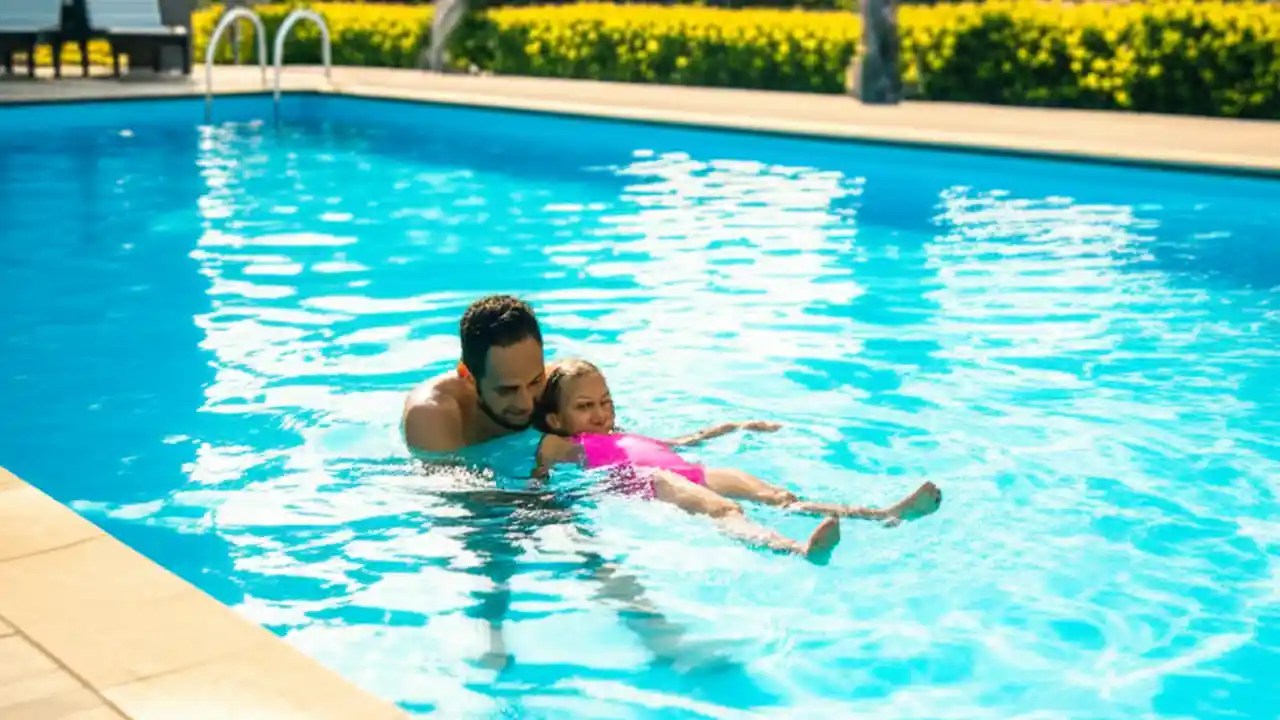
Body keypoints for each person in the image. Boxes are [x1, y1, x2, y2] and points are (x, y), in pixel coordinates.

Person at [532, 359, 945, 564]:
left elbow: (681, 441)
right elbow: (541, 469)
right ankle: (799, 550)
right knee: (725, 509)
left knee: (778, 495)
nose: (601, 414)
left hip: (687, 470)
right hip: (652, 480)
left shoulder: (622, 435)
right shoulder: (561, 442)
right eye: (585, 406)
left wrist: (733, 426)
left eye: (606, 402)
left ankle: (881, 515)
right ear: (555, 418)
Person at [402, 294, 549, 455]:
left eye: (535, 382)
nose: (526, 404)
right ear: (468, 377)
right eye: (507, 390)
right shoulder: (431, 413)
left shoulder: (560, 385)